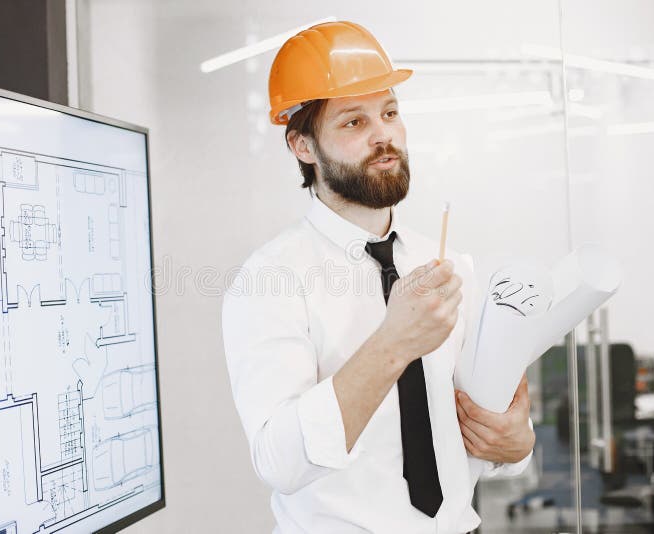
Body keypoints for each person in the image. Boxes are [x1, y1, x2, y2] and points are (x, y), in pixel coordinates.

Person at [222, 21, 535, 534]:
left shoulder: (449, 264)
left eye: (389, 113)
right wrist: (393, 343)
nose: (383, 134)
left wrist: (516, 447)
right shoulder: (269, 281)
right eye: (353, 122)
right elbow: (278, 462)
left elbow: (487, 434)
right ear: (303, 147)